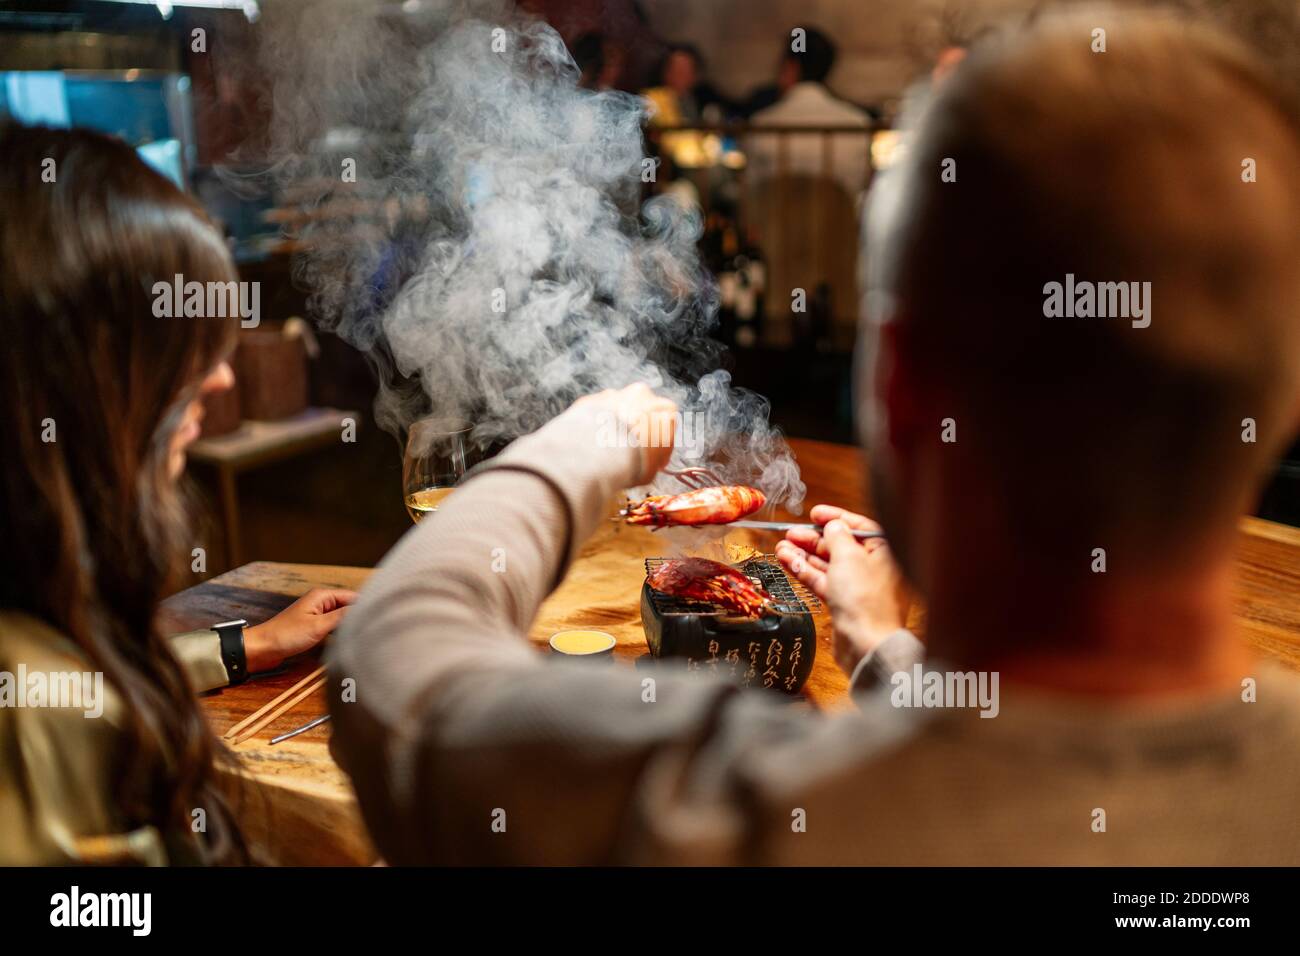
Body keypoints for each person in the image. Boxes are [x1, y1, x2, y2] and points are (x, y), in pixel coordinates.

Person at [328, 7, 1300, 864]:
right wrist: (883, 650)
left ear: (894, 377)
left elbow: (390, 673)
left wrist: (584, 444)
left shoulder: (733, 813)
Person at [0, 125, 355, 865]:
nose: (222, 377)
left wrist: (243, 645)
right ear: (89, 376)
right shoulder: (38, 713)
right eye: (185, 347)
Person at [745, 26, 872, 201]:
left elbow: (753, 194)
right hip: (838, 226)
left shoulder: (762, 124)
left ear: (791, 67)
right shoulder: (858, 123)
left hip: (778, 225)